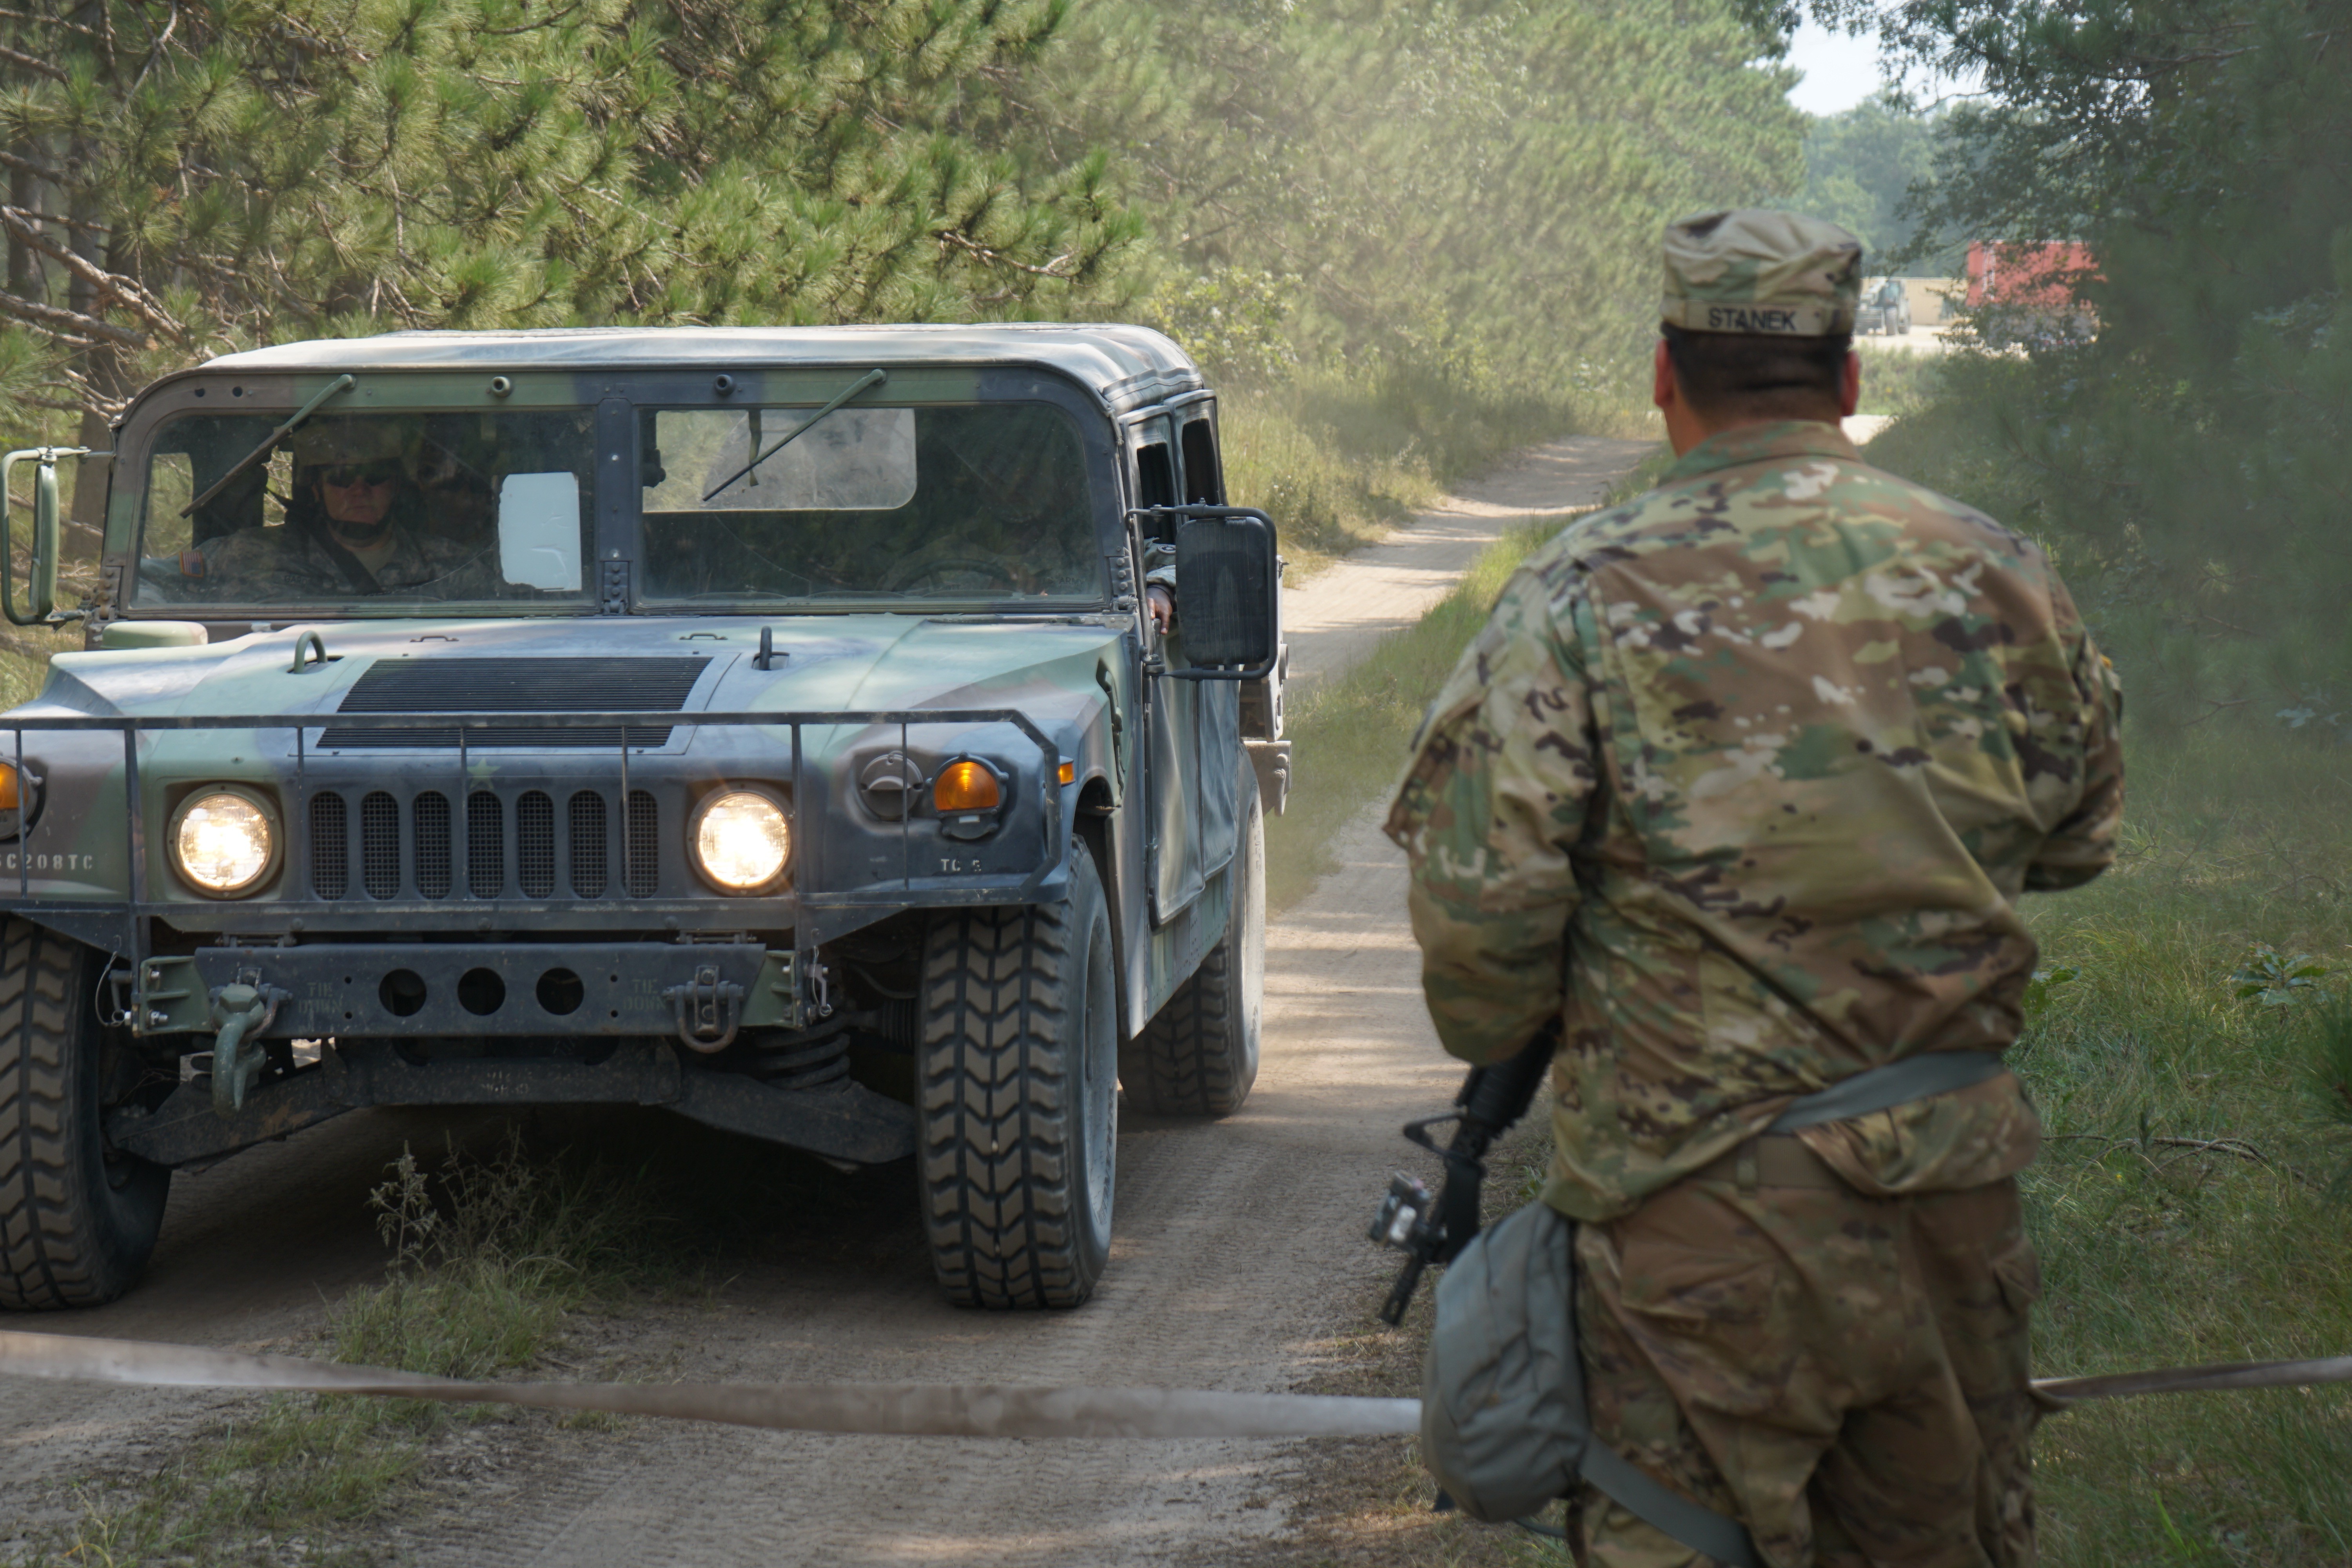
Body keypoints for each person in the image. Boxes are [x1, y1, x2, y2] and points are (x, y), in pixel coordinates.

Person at [1385, 210, 2123, 1566]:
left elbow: (1481, 954)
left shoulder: (1576, 593)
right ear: (1849, 382)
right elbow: (2076, 839)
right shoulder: (1997, 572)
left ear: (1664, 376)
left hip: (1693, 1236)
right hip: (1951, 1212)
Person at [201, 417, 488, 599]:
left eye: (375, 476)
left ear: (396, 485)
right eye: (342, 478)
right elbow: (161, 582)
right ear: (317, 489)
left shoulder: (450, 566)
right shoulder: (249, 554)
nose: (359, 490)